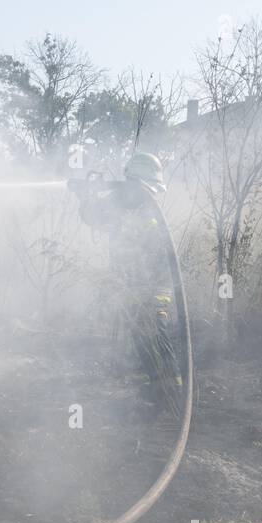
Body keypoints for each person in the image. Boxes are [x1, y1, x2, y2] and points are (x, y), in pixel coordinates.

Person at [70, 153, 182, 412]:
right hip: (131, 282)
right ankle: (153, 389)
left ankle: (172, 393)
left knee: (156, 330)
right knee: (140, 335)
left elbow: (133, 231)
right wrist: (85, 195)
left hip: (155, 282)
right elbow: (94, 217)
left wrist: (106, 203)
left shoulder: (146, 206)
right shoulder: (121, 200)